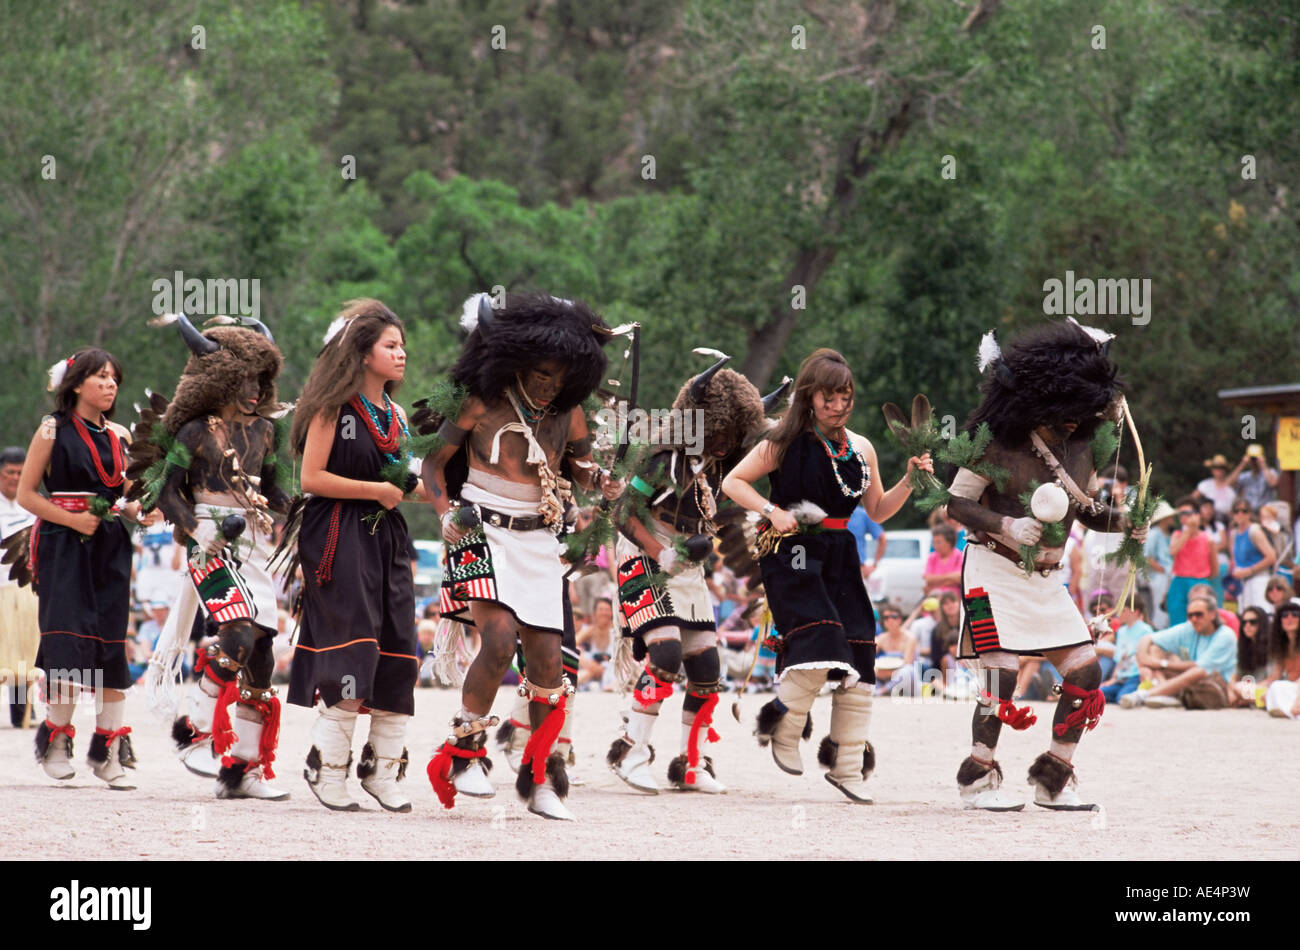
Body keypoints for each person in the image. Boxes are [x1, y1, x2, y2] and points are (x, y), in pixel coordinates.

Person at [422, 292, 615, 821]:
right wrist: (445, 515)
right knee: (501, 638)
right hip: (480, 531)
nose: (550, 384)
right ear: (519, 361)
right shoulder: (481, 401)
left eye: (561, 376)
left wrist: (601, 480)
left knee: (551, 663)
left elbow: (581, 469)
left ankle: (542, 775)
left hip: (538, 540)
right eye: (542, 372)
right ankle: (465, 754)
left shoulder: (569, 414)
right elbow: (432, 468)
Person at [942, 321, 1146, 811]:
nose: (1074, 422)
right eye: (1066, 413)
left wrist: (1124, 523)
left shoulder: (1081, 447)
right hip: (991, 570)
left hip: (1047, 581)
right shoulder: (993, 441)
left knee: (1086, 672)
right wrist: (1006, 527)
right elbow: (955, 504)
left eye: (1082, 413)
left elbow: (1087, 512)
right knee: (1001, 675)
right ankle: (978, 777)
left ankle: (1054, 777)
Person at [723, 347, 933, 804]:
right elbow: (733, 483)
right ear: (809, 396)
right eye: (829, 398)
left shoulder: (861, 447)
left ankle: (847, 766)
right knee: (821, 643)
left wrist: (909, 480)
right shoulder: (782, 440)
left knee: (858, 655)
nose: (838, 406)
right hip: (792, 551)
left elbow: (877, 511)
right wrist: (771, 510)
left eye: (846, 397)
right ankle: (783, 728)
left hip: (840, 554)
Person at [126, 314, 292, 800]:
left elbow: (280, 490)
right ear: (216, 379)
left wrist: (307, 508)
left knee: (261, 656)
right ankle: (193, 729)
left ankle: (242, 769)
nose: (255, 390)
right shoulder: (196, 432)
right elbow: (168, 491)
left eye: (261, 379)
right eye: (244, 379)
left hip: (255, 546)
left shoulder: (268, 433)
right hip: (209, 545)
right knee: (237, 633)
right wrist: (197, 528)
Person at [608, 355, 782, 795]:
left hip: (687, 568)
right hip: (644, 557)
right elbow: (622, 511)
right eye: (720, 431)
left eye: (734, 434)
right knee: (665, 657)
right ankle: (631, 751)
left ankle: (691, 762)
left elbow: (730, 521)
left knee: (706, 667)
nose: (725, 442)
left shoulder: (719, 468)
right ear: (699, 420)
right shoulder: (661, 457)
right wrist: (659, 551)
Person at [287, 300, 421, 813]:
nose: (401, 353)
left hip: (386, 535)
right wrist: (377, 491)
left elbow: (400, 487)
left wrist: (430, 493)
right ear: (364, 354)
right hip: (338, 532)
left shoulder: (399, 415)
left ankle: (383, 772)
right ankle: (329, 766)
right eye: (391, 345)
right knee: (355, 645)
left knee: (398, 647)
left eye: (402, 344)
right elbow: (311, 479)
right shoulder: (333, 407)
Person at [19, 347, 157, 788]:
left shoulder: (121, 435)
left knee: (110, 644)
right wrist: (74, 520)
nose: (110, 384)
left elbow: (128, 493)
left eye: (114, 377)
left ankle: (109, 750)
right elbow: (27, 494)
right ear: (76, 383)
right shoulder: (51, 428)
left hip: (111, 548)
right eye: (99, 377)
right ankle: (56, 743)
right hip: (64, 545)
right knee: (68, 644)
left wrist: (141, 510)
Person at [1121, 595, 1237, 709]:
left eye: (1199, 614)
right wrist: (1144, 658)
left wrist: (1161, 664)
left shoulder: (1225, 635)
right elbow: (1147, 639)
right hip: (1191, 682)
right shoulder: (1189, 628)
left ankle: (1147, 694)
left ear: (1212, 614)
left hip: (1217, 687)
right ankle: (1163, 692)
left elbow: (1200, 669)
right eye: (1190, 615)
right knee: (1155, 649)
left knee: (1196, 672)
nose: (1194, 619)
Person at [0, 446, 40, 727]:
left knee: (24, 652)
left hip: (25, 588)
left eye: (20, 472)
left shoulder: (31, 504)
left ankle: (22, 711)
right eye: (9, 473)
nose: (15, 478)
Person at [1168, 498, 1214, 626]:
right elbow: (1173, 551)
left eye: (1187, 513)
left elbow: (1214, 569)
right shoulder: (1177, 534)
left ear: (1197, 515)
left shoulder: (1208, 539)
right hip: (1179, 582)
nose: (1183, 517)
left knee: (1201, 620)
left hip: (1200, 582)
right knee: (1177, 622)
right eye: (1180, 514)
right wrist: (1188, 530)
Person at [1098, 596, 1152, 703]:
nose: (1119, 614)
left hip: (1136, 676)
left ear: (1135, 612)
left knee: (1121, 698)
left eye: (1123, 610)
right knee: (1098, 693)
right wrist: (1113, 679)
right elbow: (1119, 659)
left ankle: (1141, 693)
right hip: (1120, 678)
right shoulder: (1121, 631)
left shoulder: (1145, 630)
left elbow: (1145, 656)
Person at [1229, 500, 1276, 611]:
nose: (1240, 514)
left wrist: (1250, 570)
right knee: (1245, 614)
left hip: (1258, 579)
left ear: (1249, 514)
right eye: (1237, 511)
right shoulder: (1233, 533)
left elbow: (1271, 557)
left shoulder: (1255, 531)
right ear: (1232, 514)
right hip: (1242, 582)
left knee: (1261, 612)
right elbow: (1234, 558)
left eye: (1244, 511)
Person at [1262, 602, 1300, 718]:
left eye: (1295, 615)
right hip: (1293, 688)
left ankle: (1292, 710)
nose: (1289, 618)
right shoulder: (1282, 646)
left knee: (1278, 687)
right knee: (1275, 687)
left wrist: (1298, 702)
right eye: (1284, 616)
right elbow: (1275, 676)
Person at [1142, 501, 1177, 628]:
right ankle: (1159, 629)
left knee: (1168, 604)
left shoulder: (1169, 534)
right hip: (1160, 576)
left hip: (1169, 574)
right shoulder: (1154, 534)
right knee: (1160, 606)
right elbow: (1147, 556)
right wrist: (1159, 569)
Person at [873, 604, 919, 696]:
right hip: (886, 676)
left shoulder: (909, 638)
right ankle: (882, 689)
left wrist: (886, 673)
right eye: (886, 617)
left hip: (906, 680)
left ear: (900, 619)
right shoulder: (881, 638)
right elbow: (869, 658)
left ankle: (883, 690)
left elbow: (908, 662)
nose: (890, 620)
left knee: (907, 671)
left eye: (894, 617)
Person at [1229, 605, 1271, 706]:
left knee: (1240, 687)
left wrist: (1241, 691)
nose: (1247, 626)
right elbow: (1235, 677)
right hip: (1249, 689)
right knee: (1236, 688)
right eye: (1244, 623)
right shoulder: (1244, 647)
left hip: (1268, 689)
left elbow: (1273, 678)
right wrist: (1232, 691)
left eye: (1253, 622)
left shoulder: (1272, 646)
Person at [1229, 444, 1279, 511]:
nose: (1254, 462)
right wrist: (1242, 464)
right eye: (1252, 459)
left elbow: (1273, 484)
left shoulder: (1270, 472)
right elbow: (1229, 484)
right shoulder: (1245, 476)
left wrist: (1263, 464)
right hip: (1249, 512)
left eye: (1255, 459)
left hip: (1265, 511)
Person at [922, 524, 963, 598]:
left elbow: (959, 578)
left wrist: (934, 582)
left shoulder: (959, 556)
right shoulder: (932, 557)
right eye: (934, 542)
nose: (935, 546)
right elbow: (928, 579)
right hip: (934, 599)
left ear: (949, 542)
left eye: (938, 542)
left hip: (954, 600)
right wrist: (951, 578)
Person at [1195, 454, 1238, 520]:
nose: (1218, 470)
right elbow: (1193, 499)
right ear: (1212, 470)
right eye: (1216, 468)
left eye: (1221, 468)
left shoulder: (1231, 488)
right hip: (1209, 518)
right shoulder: (1205, 485)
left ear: (1225, 470)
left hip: (1226, 518)